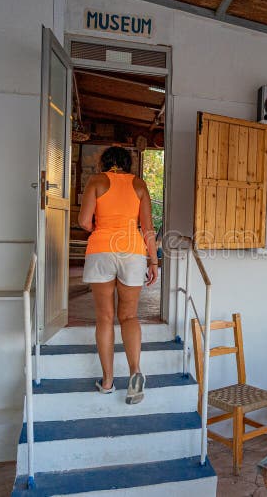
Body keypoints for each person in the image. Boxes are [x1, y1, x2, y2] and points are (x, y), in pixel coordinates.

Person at [78, 147, 158, 404]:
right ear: (127, 163)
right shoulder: (139, 184)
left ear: (105, 162)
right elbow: (148, 228)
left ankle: (108, 381)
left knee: (105, 317)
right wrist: (154, 261)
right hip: (133, 251)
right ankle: (135, 373)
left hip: (101, 249)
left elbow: (83, 221)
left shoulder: (97, 181)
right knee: (129, 315)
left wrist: (97, 227)